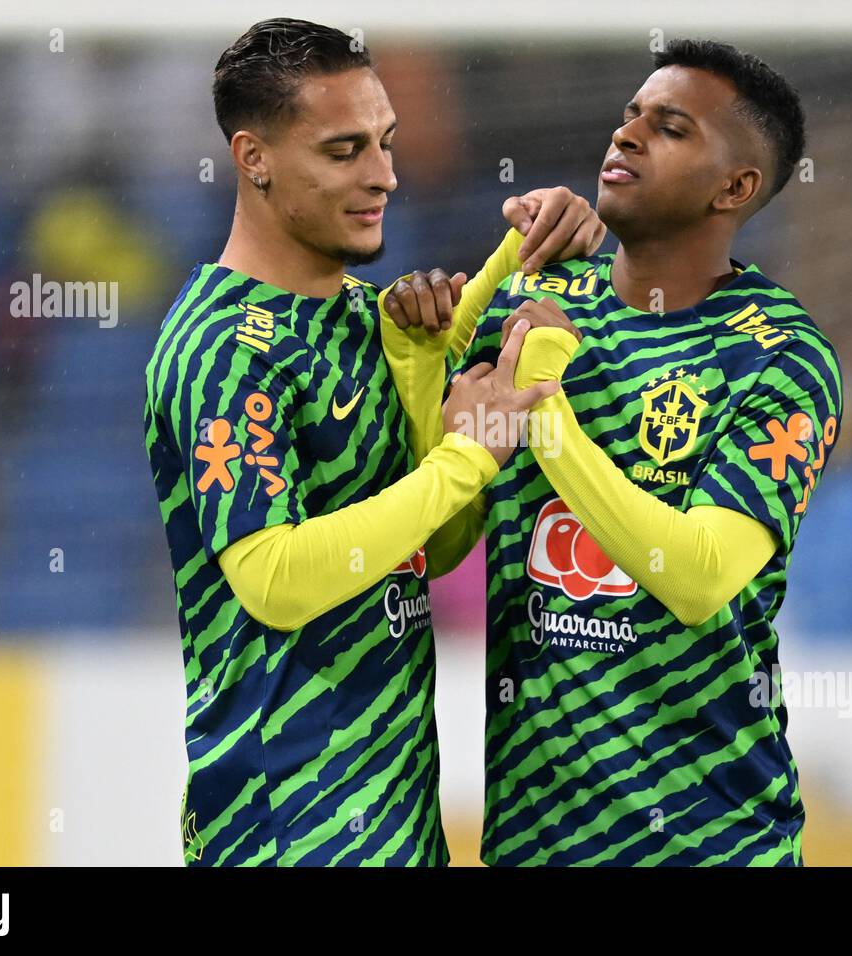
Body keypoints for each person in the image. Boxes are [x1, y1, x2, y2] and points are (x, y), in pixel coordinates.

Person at [143, 17, 603, 867]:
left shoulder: (366, 317)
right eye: (344, 150)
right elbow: (274, 580)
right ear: (255, 158)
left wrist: (522, 253)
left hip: (397, 823)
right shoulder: (220, 347)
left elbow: (441, 542)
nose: (384, 175)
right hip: (280, 828)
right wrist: (467, 455)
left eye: (385, 144)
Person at [382, 39, 842, 865]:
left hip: (711, 839)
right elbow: (446, 541)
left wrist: (547, 412)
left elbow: (700, 575)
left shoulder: (779, 355)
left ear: (735, 187)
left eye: (669, 128)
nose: (626, 136)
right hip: (534, 839)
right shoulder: (537, 301)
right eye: (629, 116)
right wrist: (423, 367)